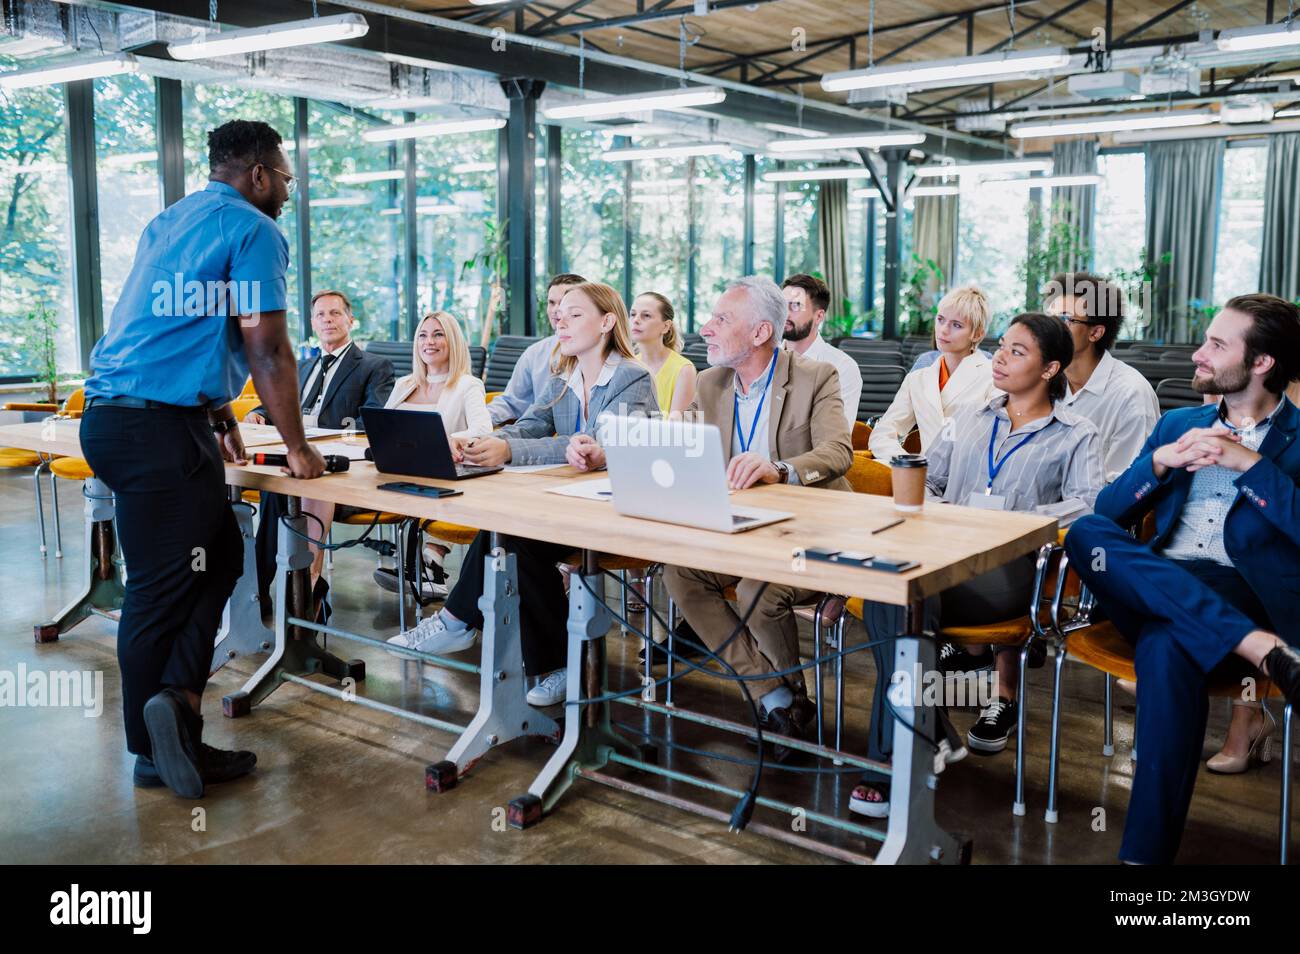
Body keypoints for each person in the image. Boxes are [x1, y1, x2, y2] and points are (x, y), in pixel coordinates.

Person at [79, 119, 326, 799]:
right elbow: (266, 345)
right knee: (161, 590)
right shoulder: (254, 229)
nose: (284, 191)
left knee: (218, 558)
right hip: (157, 432)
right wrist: (299, 448)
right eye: (283, 177)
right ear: (256, 175)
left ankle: (175, 712)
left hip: (122, 420)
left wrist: (218, 413)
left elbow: (175, 324)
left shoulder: (172, 220)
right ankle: (153, 747)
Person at [1064, 293, 1300, 865]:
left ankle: (1143, 862)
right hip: (1157, 577)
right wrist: (1160, 462)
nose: (1199, 354)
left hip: (1242, 589)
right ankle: (1260, 650)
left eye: (1217, 345)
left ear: (1261, 362)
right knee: (1083, 533)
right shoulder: (1178, 422)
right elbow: (1109, 511)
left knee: (1169, 647)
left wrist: (1250, 465)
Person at [853, 313, 1105, 817]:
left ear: (1051, 368)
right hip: (945, 555)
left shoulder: (1077, 433)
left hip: (1014, 572)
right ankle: (927, 733)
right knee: (891, 593)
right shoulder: (971, 417)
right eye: (1002, 346)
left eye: (1017, 352)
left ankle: (892, 761)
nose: (1001, 358)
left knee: (905, 599)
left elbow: (1087, 505)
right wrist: (949, 511)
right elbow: (934, 482)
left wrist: (1011, 521)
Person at [385, 282, 657, 705]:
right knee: (508, 535)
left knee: (514, 538)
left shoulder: (631, 376)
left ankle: (459, 622)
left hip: (616, 511)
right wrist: (478, 442)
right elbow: (532, 424)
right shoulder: (563, 374)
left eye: (574, 314)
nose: (560, 321)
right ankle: (558, 662)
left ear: (606, 322)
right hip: (568, 505)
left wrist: (509, 449)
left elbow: (597, 445)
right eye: (559, 313)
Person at [661, 276, 854, 760]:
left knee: (756, 590)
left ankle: (790, 703)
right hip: (740, 530)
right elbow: (678, 446)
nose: (705, 329)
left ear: (760, 332)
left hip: (808, 533)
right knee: (680, 574)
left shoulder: (816, 377)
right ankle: (775, 694)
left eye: (721, 319)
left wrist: (780, 468)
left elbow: (839, 451)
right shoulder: (709, 384)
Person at [248, 289, 394, 612]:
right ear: (313, 323)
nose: (328, 319)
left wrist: (323, 439)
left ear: (350, 320)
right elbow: (276, 402)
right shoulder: (302, 366)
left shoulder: (374, 365)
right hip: (293, 458)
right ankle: (258, 588)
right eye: (321, 315)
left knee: (278, 489)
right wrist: (260, 413)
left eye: (335, 313)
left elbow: (372, 420)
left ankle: (260, 590)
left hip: (336, 468)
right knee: (258, 485)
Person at [373, 310, 492, 599]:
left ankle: (429, 566)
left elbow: (483, 429)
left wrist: (449, 440)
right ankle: (424, 570)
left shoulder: (467, 385)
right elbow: (385, 426)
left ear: (452, 342)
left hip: (443, 475)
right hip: (399, 471)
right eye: (423, 335)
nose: (430, 341)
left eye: (438, 334)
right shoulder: (404, 384)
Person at [1044, 272, 1160, 483]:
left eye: (1063, 319)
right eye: (1048, 318)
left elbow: (1123, 486)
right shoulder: (1044, 378)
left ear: (1095, 333)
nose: (1049, 329)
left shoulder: (1130, 395)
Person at [869, 285, 995, 463]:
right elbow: (882, 433)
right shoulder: (917, 379)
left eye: (956, 325)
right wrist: (909, 464)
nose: (943, 330)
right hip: (925, 477)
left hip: (971, 475)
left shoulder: (993, 376)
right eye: (941, 319)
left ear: (977, 334)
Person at [486, 273, 587, 425]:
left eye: (564, 303)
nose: (556, 310)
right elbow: (511, 402)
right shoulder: (534, 353)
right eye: (551, 303)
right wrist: (474, 422)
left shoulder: (596, 355)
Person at [781, 273, 863, 427]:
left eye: (796, 306)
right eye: (782, 305)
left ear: (818, 317)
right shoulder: (764, 359)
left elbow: (835, 438)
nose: (785, 313)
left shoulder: (842, 367)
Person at [629, 291, 696, 416]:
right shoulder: (627, 366)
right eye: (633, 314)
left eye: (646, 315)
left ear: (666, 326)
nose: (636, 320)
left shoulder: (684, 370)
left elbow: (676, 429)